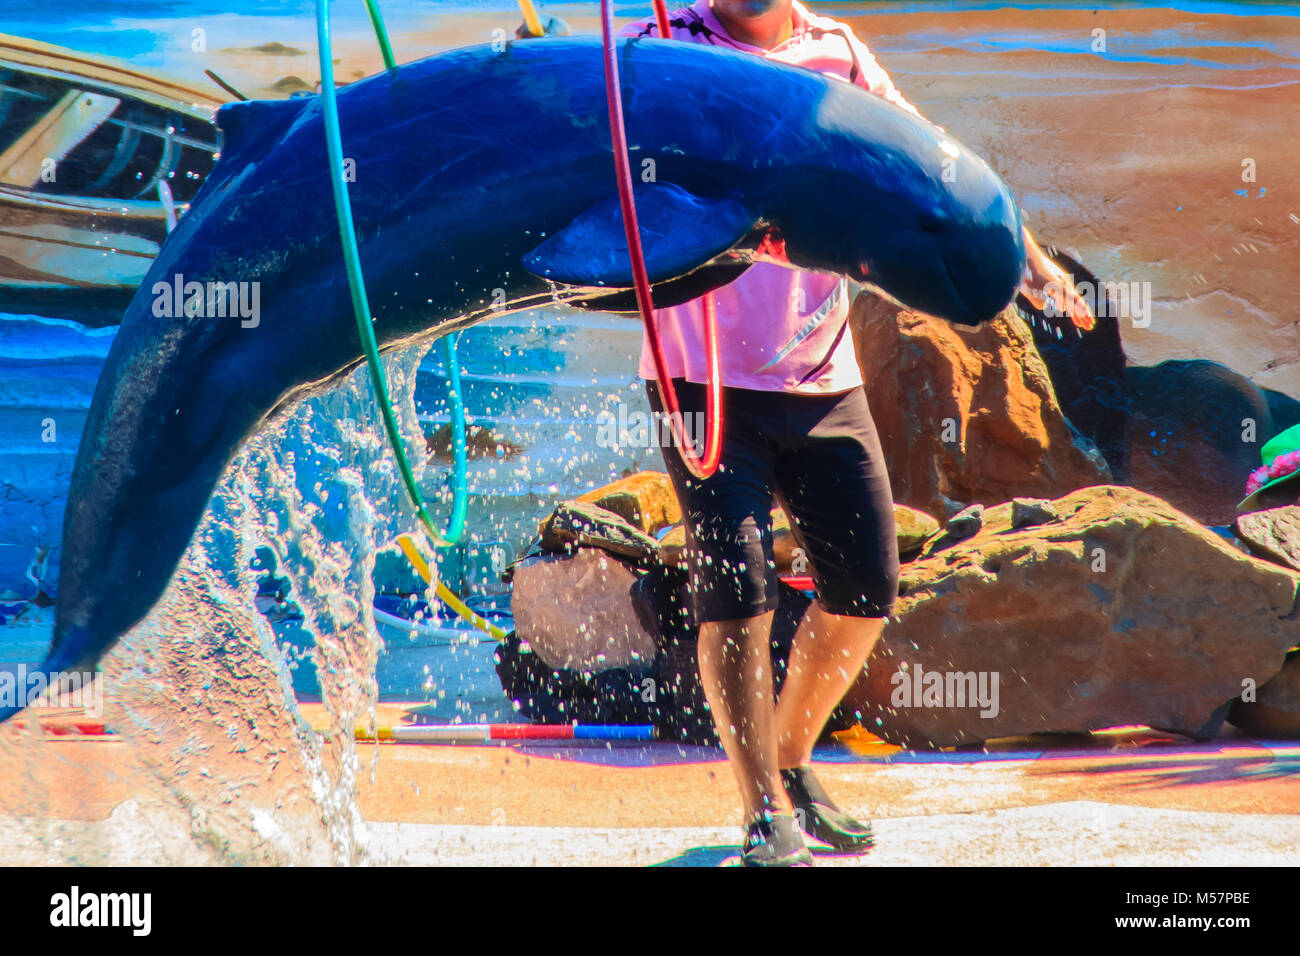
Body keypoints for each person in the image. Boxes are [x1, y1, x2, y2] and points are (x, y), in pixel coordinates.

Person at [613, 0, 1095, 866]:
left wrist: (1026, 257)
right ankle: (762, 812)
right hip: (702, 383)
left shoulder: (837, 51)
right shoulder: (660, 43)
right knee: (739, 594)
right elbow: (597, 133)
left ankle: (793, 766)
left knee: (866, 589)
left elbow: (925, 160)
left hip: (820, 378)